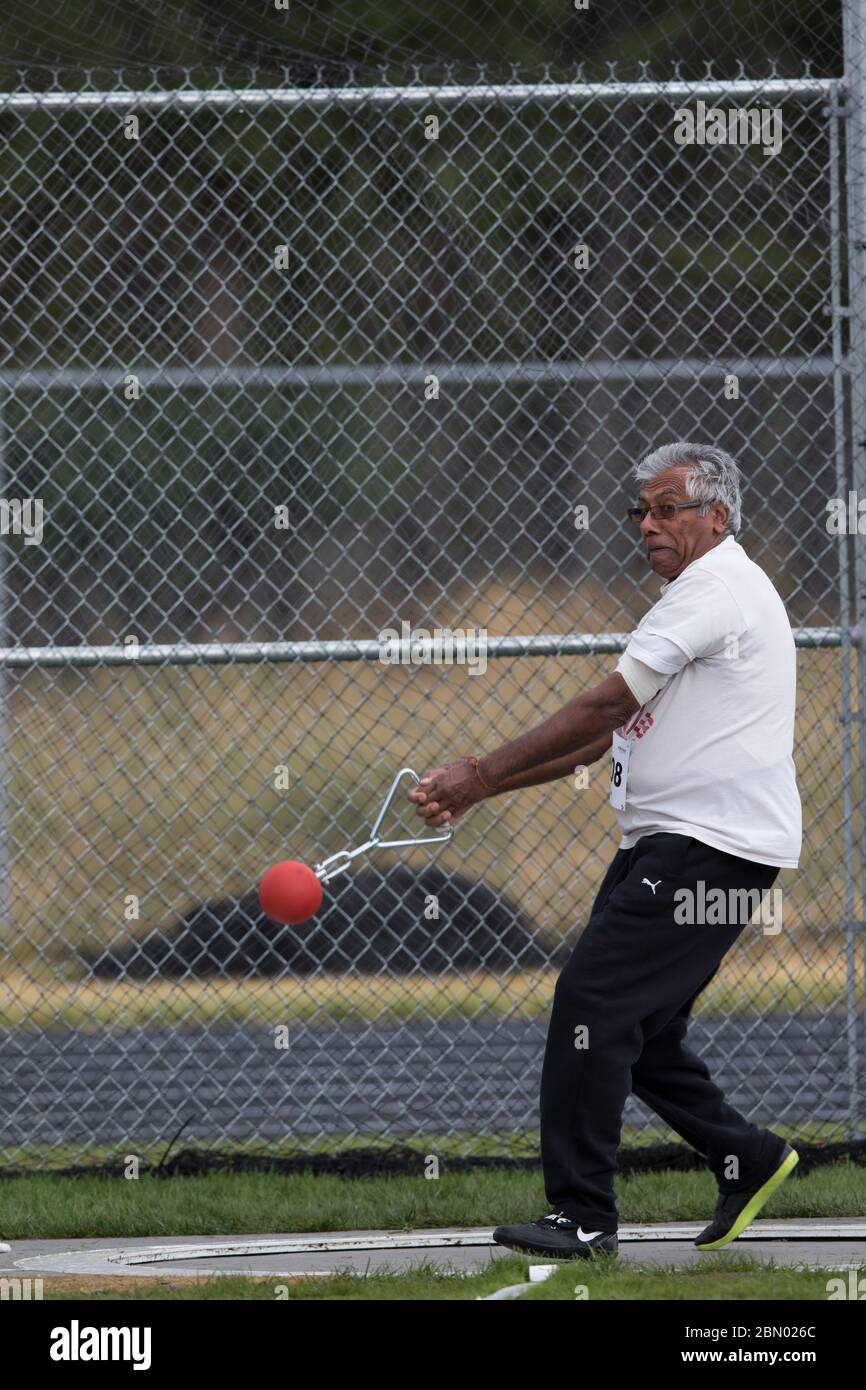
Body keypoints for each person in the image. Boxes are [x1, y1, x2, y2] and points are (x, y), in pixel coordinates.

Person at [408, 441, 801, 1259]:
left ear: (717, 517)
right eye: (640, 512)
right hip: (681, 846)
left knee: (590, 1005)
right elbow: (595, 744)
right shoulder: (693, 594)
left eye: (667, 509)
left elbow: (603, 704)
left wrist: (479, 771)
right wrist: (474, 791)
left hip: (708, 849)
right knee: (639, 1032)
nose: (647, 525)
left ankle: (581, 1216)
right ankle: (749, 1157)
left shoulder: (716, 587)